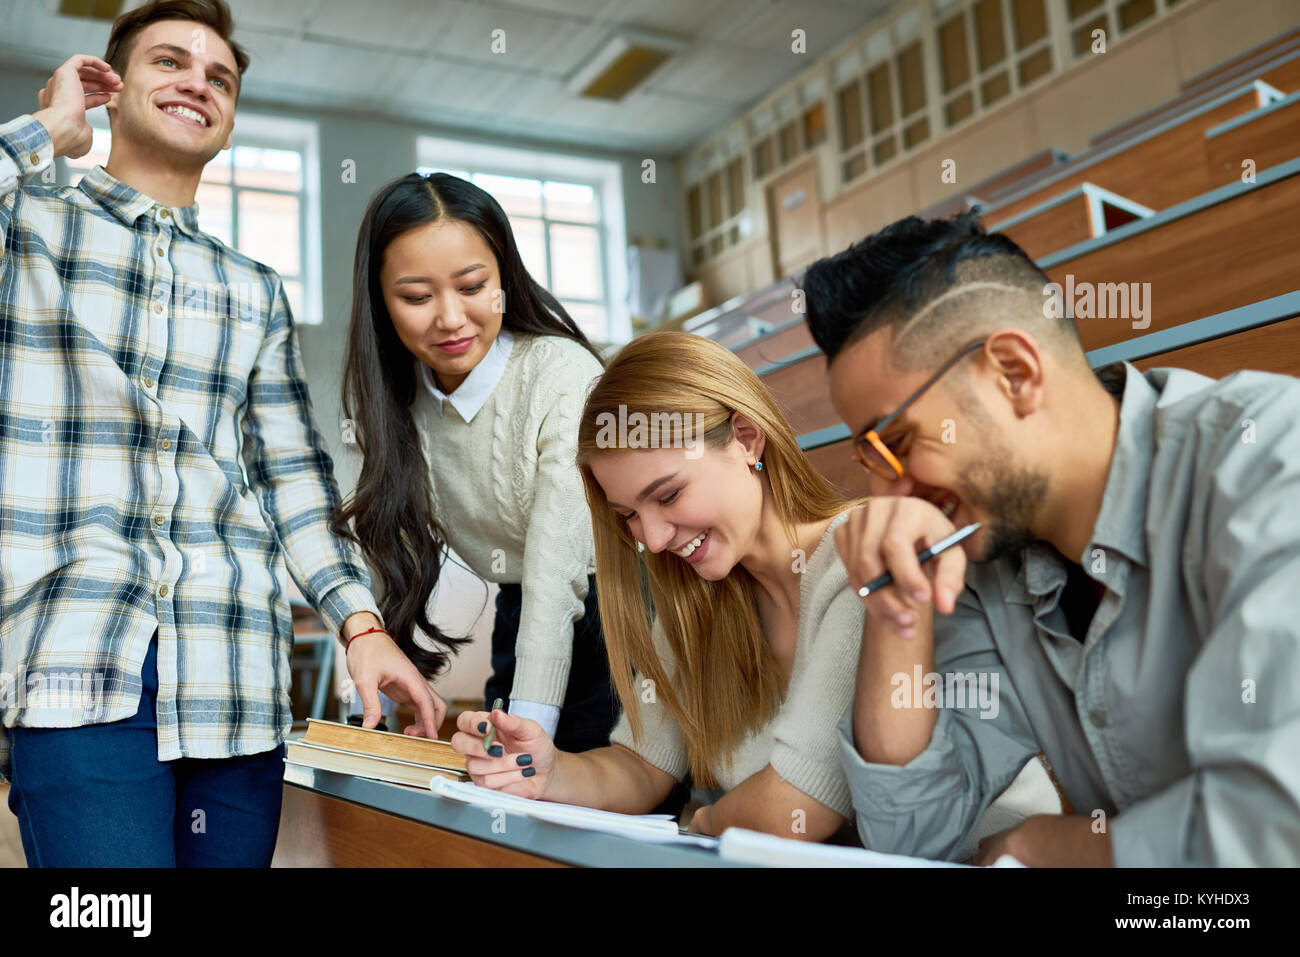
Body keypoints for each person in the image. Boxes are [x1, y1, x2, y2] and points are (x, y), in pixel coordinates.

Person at [0, 0, 440, 868]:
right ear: (112, 89)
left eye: (221, 78)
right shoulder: (31, 230)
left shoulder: (254, 289)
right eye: (169, 62)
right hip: (78, 667)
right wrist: (46, 128)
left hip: (235, 671)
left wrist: (360, 624)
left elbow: (293, 479)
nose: (198, 82)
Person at [801, 211, 1300, 866]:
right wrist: (901, 599)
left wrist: (1038, 845)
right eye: (870, 463)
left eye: (894, 445)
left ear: (1014, 371)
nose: (890, 496)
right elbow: (912, 833)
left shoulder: (1268, 459)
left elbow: (1269, 828)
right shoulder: (980, 556)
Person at [447, 331, 1058, 846]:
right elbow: (641, 766)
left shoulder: (861, 559)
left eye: (668, 496)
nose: (653, 539)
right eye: (629, 515)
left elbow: (800, 806)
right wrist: (548, 775)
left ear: (746, 439)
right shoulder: (697, 599)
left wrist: (704, 818)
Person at [332, 171, 620, 755]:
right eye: (416, 297)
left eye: (472, 286)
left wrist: (529, 729)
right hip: (523, 613)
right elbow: (388, 548)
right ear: (380, 303)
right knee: (497, 791)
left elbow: (555, 571)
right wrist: (380, 700)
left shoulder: (560, 375)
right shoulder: (396, 404)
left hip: (626, 615)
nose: (451, 319)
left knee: (565, 791)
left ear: (504, 279)